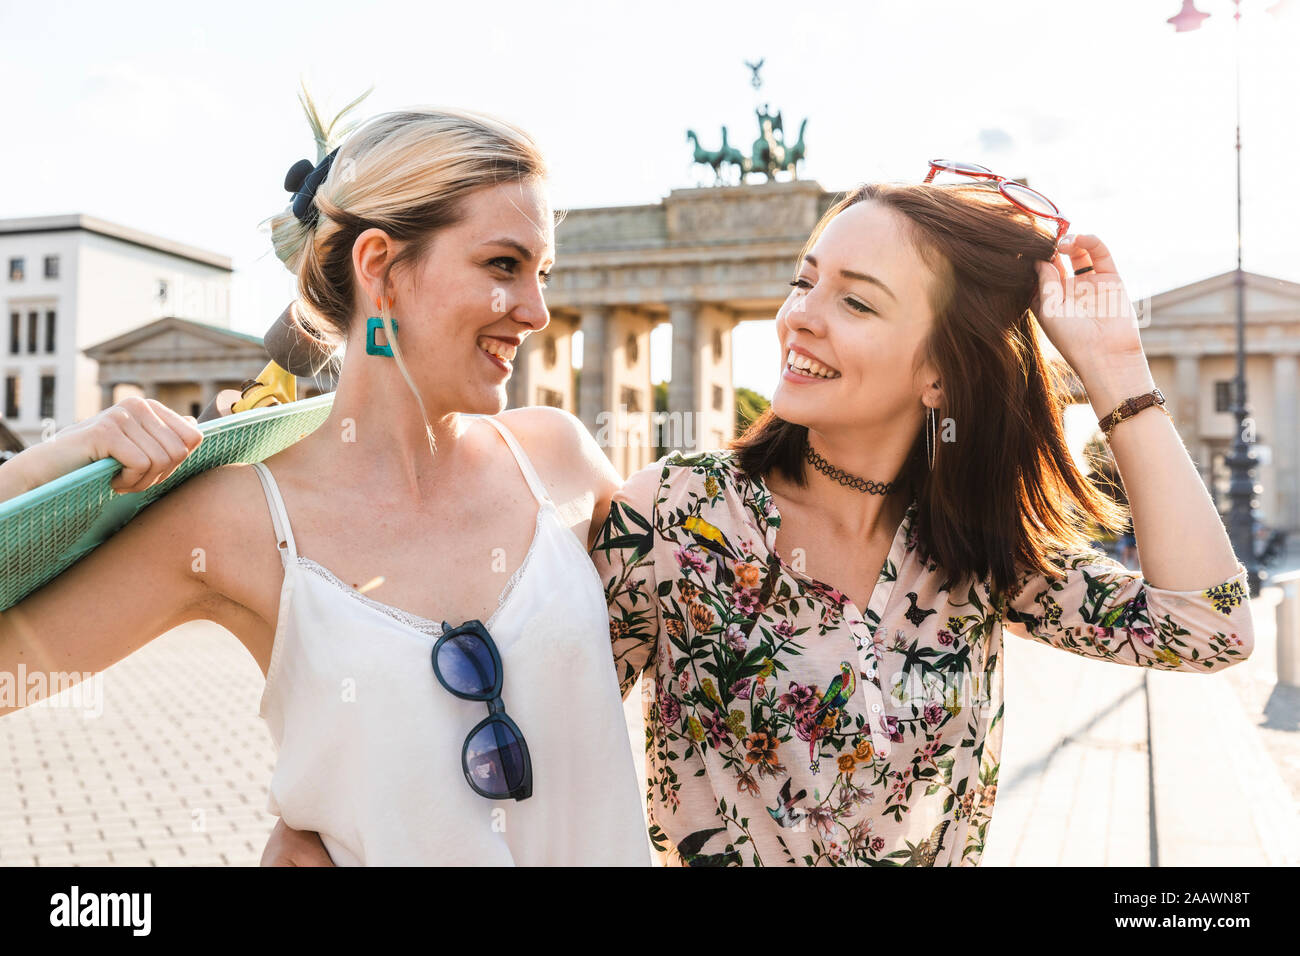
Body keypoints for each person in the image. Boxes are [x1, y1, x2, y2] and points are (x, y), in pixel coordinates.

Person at [0, 105, 650, 866]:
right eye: (503, 266)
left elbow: (726, 630)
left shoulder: (561, 461)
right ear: (379, 265)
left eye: (541, 274)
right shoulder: (233, 521)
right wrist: (51, 465)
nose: (536, 312)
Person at [588, 174, 1255, 866]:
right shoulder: (678, 513)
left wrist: (1117, 369)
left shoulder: (975, 549)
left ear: (938, 373)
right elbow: (554, 746)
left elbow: (1210, 628)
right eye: (804, 283)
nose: (801, 317)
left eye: (855, 301)